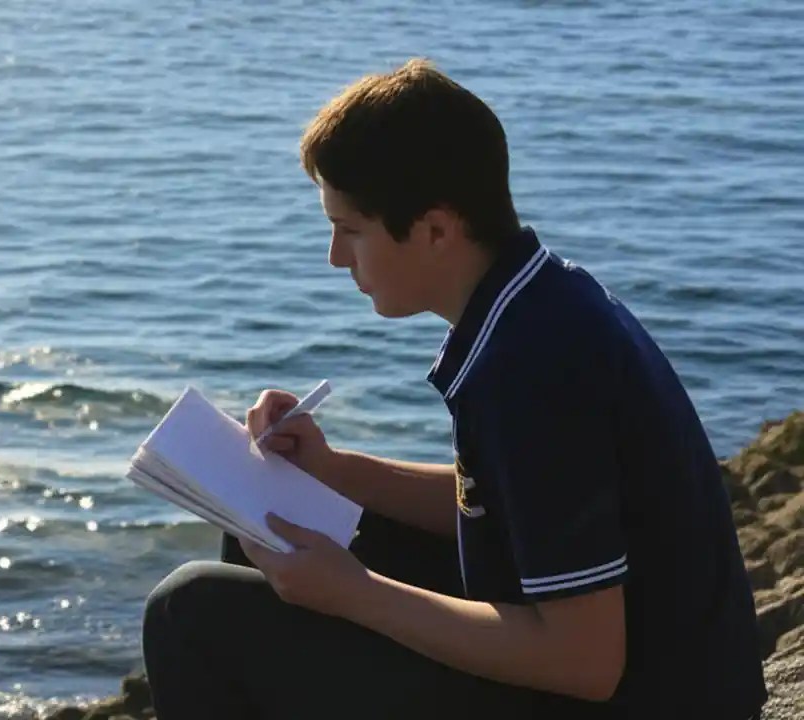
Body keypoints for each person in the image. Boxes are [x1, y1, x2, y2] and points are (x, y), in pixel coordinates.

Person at [140, 58, 767, 719]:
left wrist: (355, 593)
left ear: (437, 229)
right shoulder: (540, 300)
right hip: (669, 678)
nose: (334, 256)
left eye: (350, 230)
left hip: (636, 697)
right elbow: (509, 505)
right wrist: (331, 470)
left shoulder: (528, 370)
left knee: (186, 611)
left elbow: (586, 663)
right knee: (269, 522)